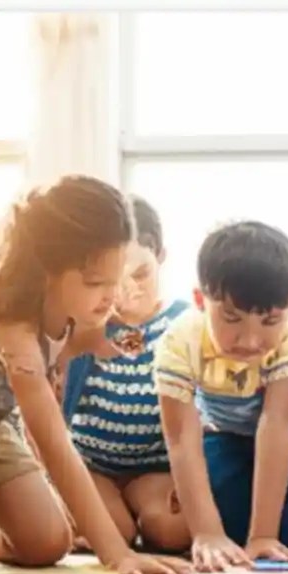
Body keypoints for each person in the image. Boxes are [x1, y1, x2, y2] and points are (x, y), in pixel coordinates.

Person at [0, 175, 190, 574]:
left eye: (116, 280)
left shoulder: (78, 314)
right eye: (96, 283)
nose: (112, 295)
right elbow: (53, 444)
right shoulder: (12, 332)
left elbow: (116, 342)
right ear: (44, 273)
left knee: (49, 544)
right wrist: (118, 555)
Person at [156, 220, 288, 573]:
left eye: (269, 321)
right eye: (231, 318)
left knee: (284, 536)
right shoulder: (178, 342)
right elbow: (181, 438)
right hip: (226, 425)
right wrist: (206, 533)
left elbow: (277, 423)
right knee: (223, 531)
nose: (249, 340)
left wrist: (262, 536)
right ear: (201, 300)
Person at [61, 195, 191, 552]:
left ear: (161, 256)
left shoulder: (185, 323)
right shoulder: (83, 322)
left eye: (140, 274)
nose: (125, 291)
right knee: (112, 532)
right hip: (92, 465)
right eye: (111, 279)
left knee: (171, 532)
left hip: (155, 469)